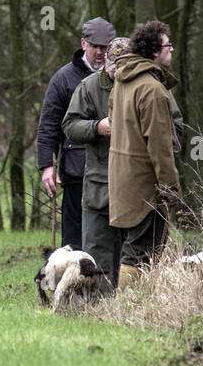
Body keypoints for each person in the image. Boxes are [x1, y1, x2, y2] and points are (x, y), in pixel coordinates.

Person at [65, 35, 184, 292]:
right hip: (99, 183)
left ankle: (124, 305)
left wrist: (142, 134)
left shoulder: (151, 86)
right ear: (106, 64)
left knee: (136, 251)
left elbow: (175, 127)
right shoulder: (88, 87)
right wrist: (97, 128)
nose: (118, 72)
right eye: (113, 68)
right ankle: (96, 307)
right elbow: (69, 126)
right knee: (98, 253)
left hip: (138, 183)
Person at [107, 20, 180, 287]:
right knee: (140, 252)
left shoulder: (122, 82)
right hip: (144, 187)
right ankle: (128, 308)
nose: (171, 50)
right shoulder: (153, 90)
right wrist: (170, 188)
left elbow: (114, 125)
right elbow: (161, 148)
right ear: (154, 51)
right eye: (167, 45)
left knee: (136, 249)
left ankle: (136, 307)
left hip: (122, 182)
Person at [36, 18, 113, 248]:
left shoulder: (122, 77)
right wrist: (47, 166)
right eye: (95, 46)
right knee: (74, 239)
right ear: (83, 43)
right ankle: (73, 283)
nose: (100, 52)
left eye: (105, 47)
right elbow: (49, 125)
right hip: (75, 169)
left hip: (113, 168)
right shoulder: (63, 78)